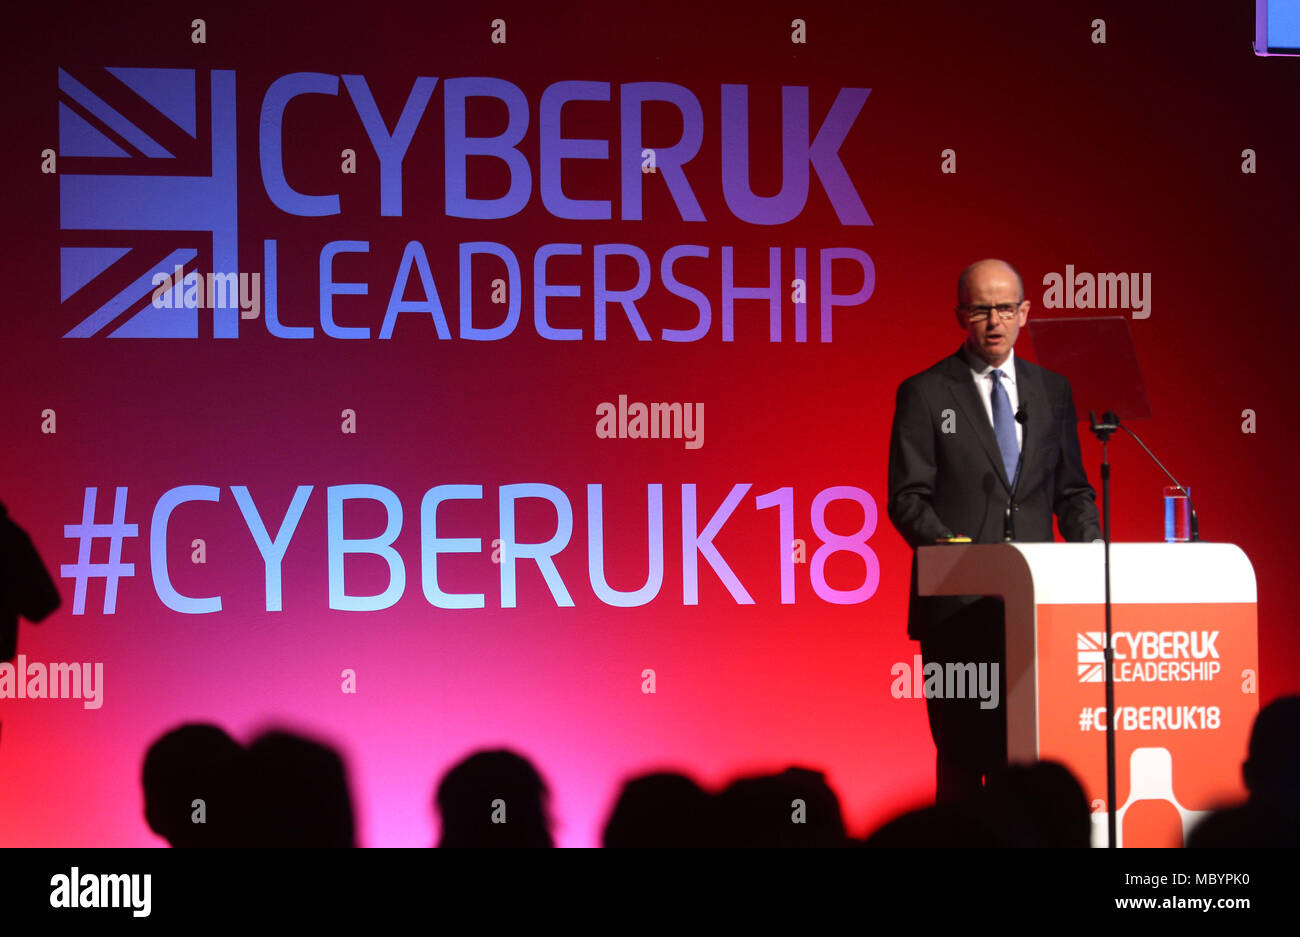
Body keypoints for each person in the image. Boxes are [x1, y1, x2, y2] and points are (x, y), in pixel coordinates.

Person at [887, 258, 1102, 804]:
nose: (994, 321)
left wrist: (1092, 552)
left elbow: (1072, 492)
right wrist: (953, 550)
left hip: (1037, 609)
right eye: (981, 309)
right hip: (958, 608)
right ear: (961, 314)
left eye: (1006, 308)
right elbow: (908, 498)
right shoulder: (926, 392)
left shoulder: (1051, 391)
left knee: (1026, 761)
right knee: (962, 756)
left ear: (1025, 313)